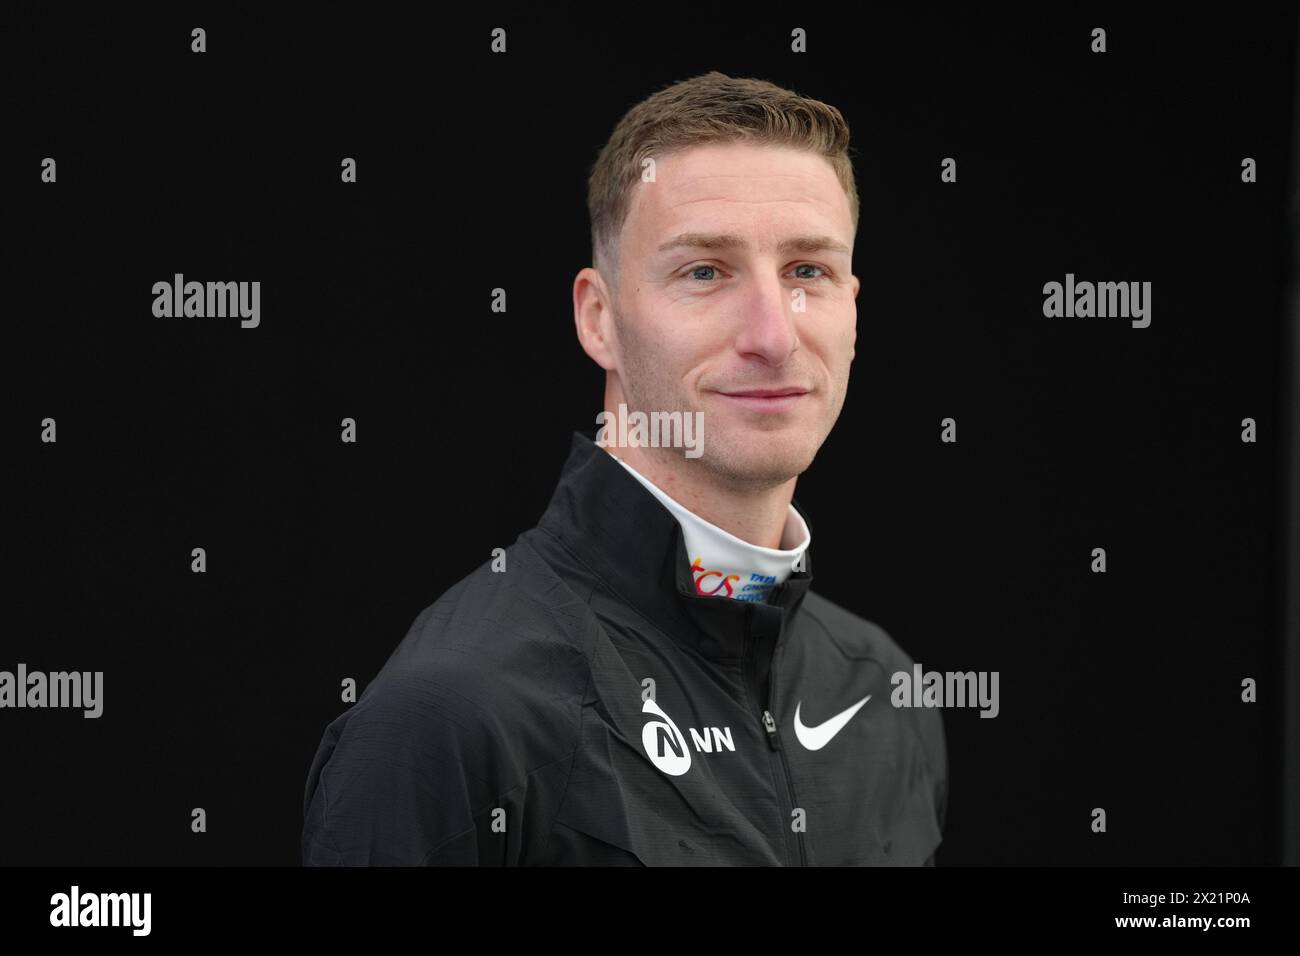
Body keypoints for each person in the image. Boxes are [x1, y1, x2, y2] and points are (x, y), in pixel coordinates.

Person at [301, 70, 947, 866]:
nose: (773, 335)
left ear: (853, 308)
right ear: (597, 318)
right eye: (705, 271)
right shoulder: (457, 715)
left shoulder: (881, 688)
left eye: (807, 271)